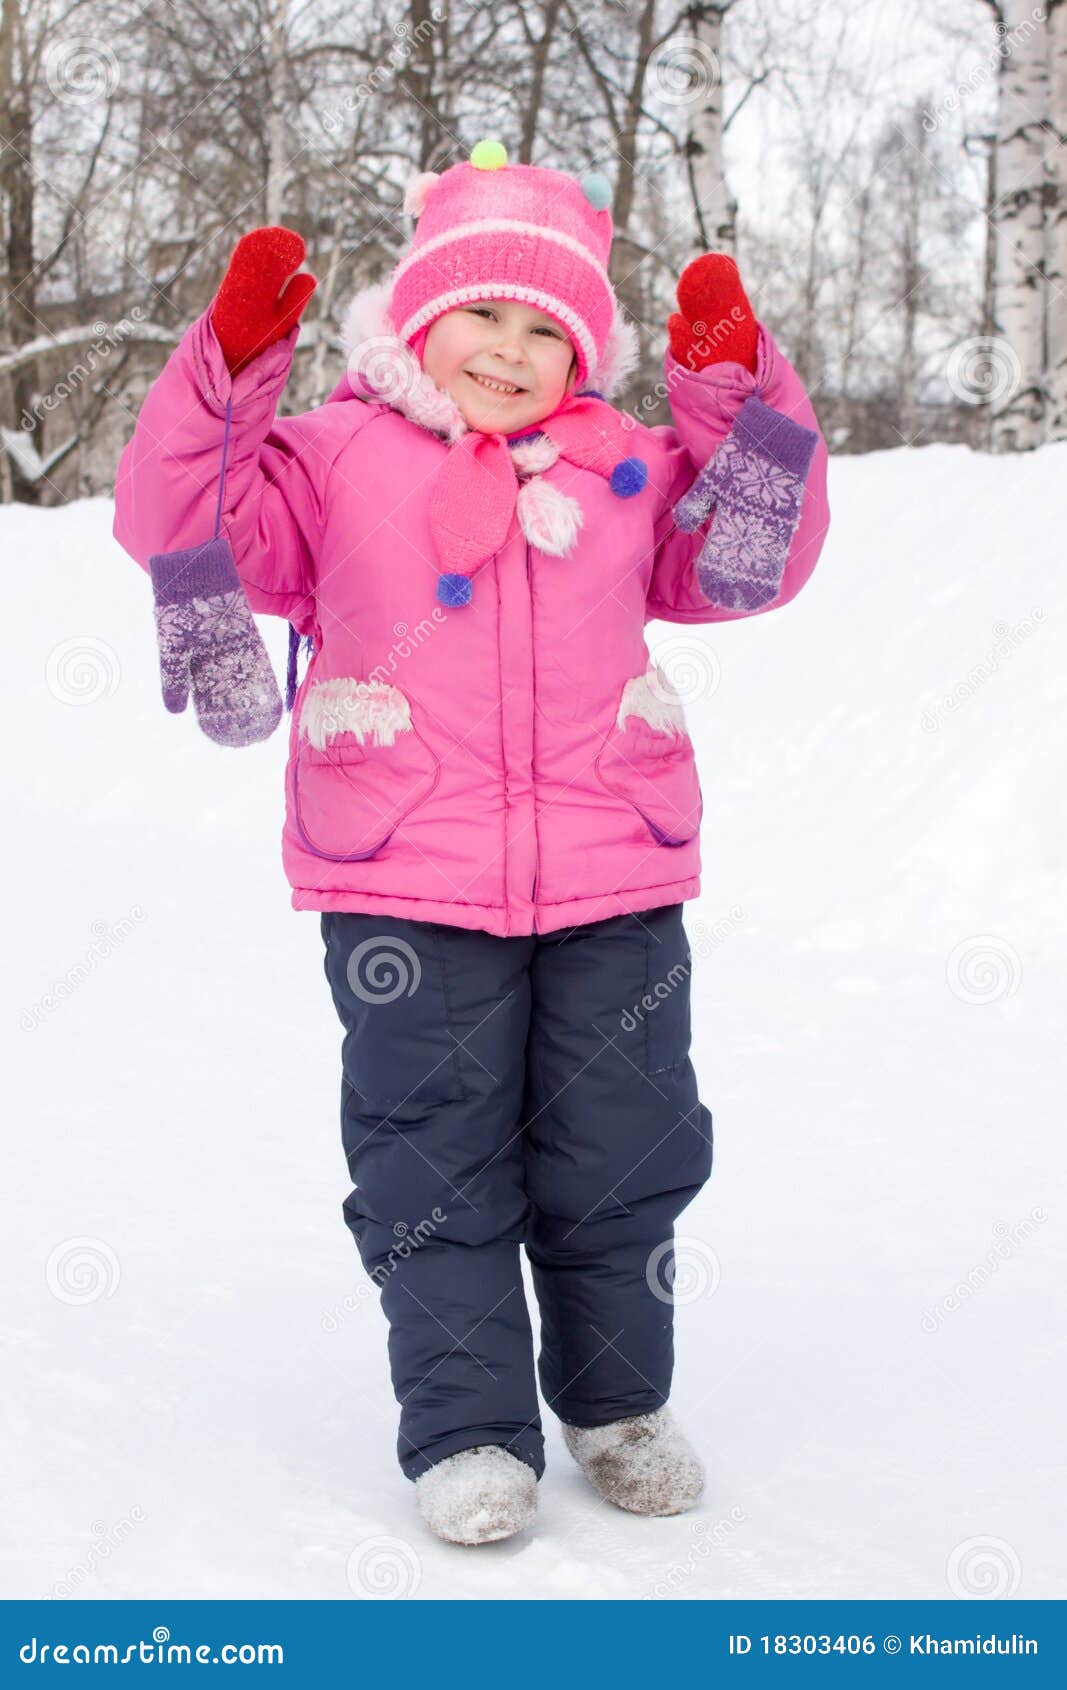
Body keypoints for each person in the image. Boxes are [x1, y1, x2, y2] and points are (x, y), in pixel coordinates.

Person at [113, 139, 830, 1546]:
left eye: (544, 328)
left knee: (624, 1145)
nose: (508, 351)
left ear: (584, 350)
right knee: (431, 1156)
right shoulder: (325, 459)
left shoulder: (629, 466)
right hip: (403, 875)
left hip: (612, 868)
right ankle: (468, 1428)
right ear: (416, 318)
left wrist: (738, 394)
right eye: (482, 316)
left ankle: (619, 1401)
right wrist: (229, 370)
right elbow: (173, 515)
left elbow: (757, 556)